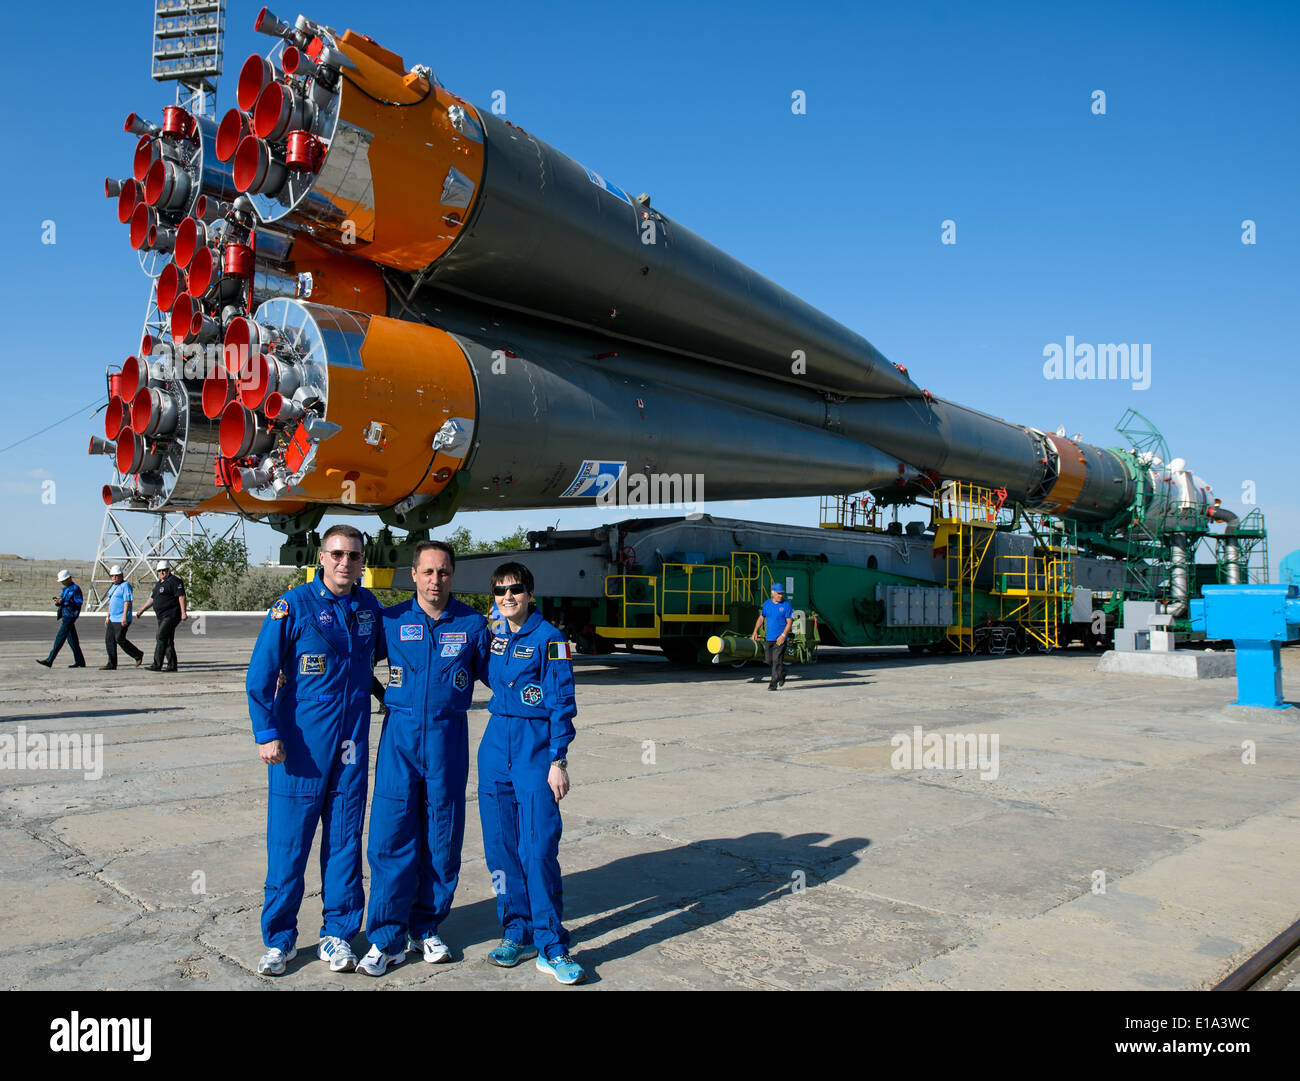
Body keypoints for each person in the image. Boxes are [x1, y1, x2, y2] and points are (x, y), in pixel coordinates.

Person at [245, 524, 384, 976]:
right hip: (299, 750)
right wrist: (266, 733)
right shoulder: (292, 606)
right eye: (338, 554)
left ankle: (338, 935)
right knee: (288, 848)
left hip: (350, 749)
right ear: (322, 557)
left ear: (363, 561)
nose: (346, 563)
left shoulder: (368, 607)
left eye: (355, 555)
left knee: (345, 844)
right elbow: (260, 676)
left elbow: (378, 660)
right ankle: (280, 940)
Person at [357, 540, 491, 976]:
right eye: (428, 572)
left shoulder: (472, 624)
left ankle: (426, 926)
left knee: (442, 834)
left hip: (448, 738)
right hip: (399, 737)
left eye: (444, 572)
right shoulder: (391, 619)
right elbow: (351, 659)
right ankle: (385, 938)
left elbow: (504, 676)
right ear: (413, 574)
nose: (436, 580)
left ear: (453, 576)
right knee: (390, 836)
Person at [477, 560, 584, 985]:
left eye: (515, 589)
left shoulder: (552, 639)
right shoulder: (496, 639)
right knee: (500, 850)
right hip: (495, 746)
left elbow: (563, 703)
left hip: (535, 751)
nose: (507, 597)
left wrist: (558, 760)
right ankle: (515, 930)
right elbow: (489, 678)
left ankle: (551, 945)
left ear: (530, 593)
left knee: (537, 850)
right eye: (500, 591)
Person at [137, 560, 187, 671]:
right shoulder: (159, 583)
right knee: (167, 640)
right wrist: (142, 609)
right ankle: (172, 666)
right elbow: (152, 599)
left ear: (168, 570)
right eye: (159, 571)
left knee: (160, 636)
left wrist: (183, 612)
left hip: (171, 615)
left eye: (164, 570)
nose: (162, 573)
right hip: (161, 615)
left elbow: (181, 596)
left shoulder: (175, 581)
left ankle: (157, 664)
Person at [37, 569, 85, 668]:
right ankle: (80, 661)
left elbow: (78, 602)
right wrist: (59, 602)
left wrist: (64, 601)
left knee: (59, 639)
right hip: (65, 615)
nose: (62, 583)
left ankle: (49, 660)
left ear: (69, 578)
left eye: (63, 580)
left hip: (70, 617)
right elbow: (63, 601)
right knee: (73, 641)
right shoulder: (65, 589)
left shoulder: (75, 589)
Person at [751, 581, 794, 690]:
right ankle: (782, 672)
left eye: (782, 593)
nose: (781, 595)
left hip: (780, 639)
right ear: (773, 593)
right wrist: (755, 630)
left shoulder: (786, 605)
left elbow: (789, 622)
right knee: (769, 660)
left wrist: (783, 635)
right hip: (769, 638)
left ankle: (773, 684)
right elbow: (761, 618)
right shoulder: (766, 604)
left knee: (776, 661)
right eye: (778, 593)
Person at [101, 565, 144, 670]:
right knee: (109, 640)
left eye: (116, 576)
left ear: (121, 575)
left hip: (121, 618)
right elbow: (110, 603)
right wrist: (108, 616)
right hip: (113, 618)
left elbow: (127, 601)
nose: (114, 578)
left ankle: (137, 654)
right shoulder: (113, 587)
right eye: (112, 576)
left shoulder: (125, 586)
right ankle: (111, 663)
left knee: (119, 638)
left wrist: (124, 616)